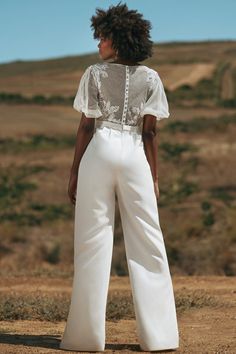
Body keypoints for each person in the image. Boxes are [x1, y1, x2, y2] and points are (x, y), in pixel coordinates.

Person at [60, 2, 179, 352]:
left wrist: (73, 172)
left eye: (102, 37)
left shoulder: (94, 74)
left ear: (118, 39)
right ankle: (159, 338)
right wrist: (153, 177)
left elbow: (85, 126)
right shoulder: (152, 78)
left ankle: (86, 339)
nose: (98, 43)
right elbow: (150, 134)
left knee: (92, 241)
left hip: (100, 151)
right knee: (148, 241)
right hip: (134, 157)